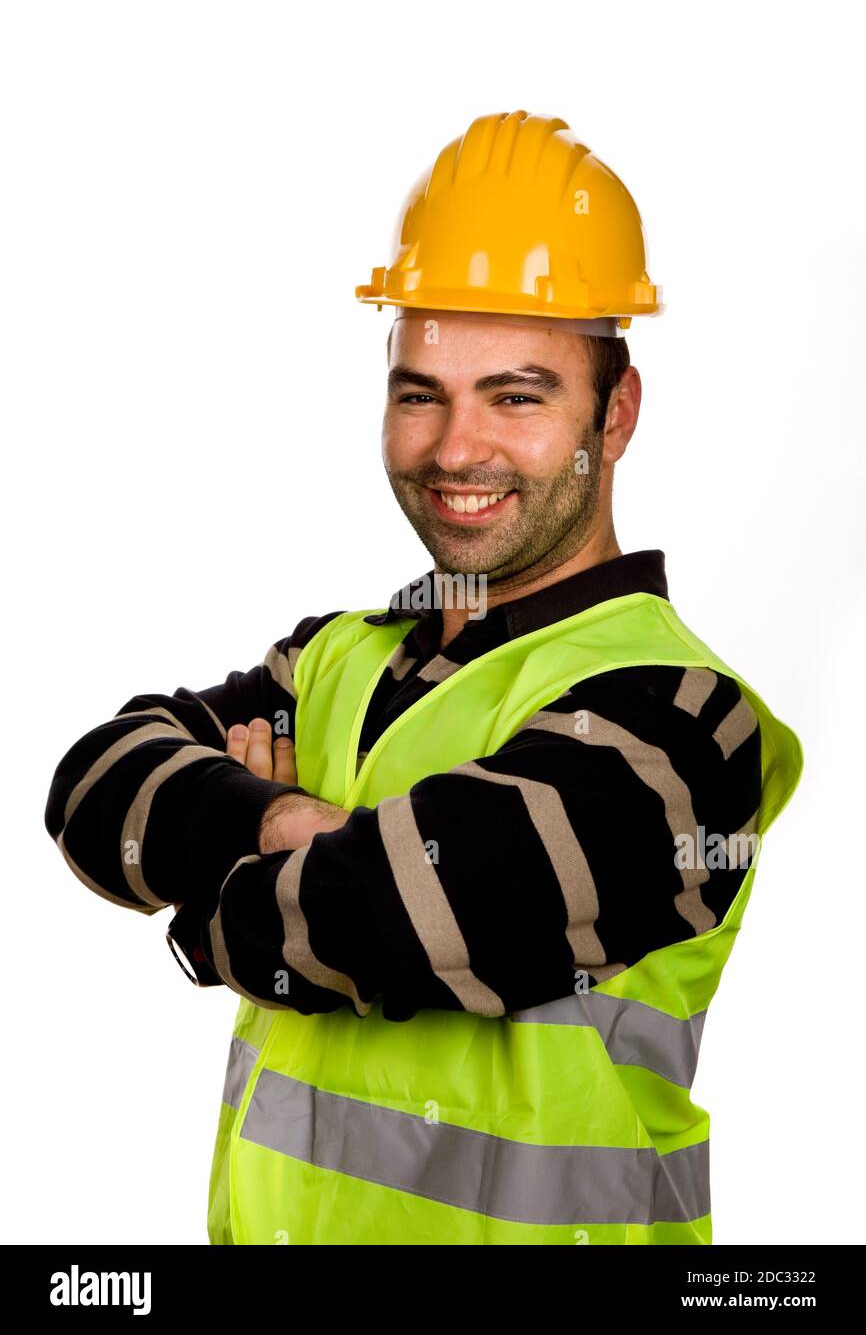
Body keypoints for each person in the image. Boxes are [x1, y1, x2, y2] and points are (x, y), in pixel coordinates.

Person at [44, 109, 803, 1245]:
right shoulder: (342, 652)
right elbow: (92, 786)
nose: (455, 448)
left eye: (516, 394)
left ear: (616, 412)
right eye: (418, 393)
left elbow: (386, 918)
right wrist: (294, 820)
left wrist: (218, 888)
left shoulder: (684, 722)